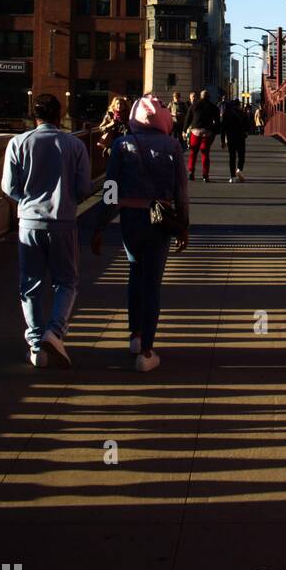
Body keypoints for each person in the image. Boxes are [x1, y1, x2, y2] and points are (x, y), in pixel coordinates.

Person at [91, 94, 189, 373]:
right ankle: (147, 350)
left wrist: (100, 225)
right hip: (160, 220)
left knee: (135, 272)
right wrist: (184, 225)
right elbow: (181, 191)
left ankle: (134, 335)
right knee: (153, 283)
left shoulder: (122, 145)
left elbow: (110, 188)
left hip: (130, 219)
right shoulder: (172, 145)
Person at [1, 92, 93, 368]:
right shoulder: (74, 145)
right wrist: (66, 200)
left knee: (30, 285)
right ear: (59, 114)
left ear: (34, 114)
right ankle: (55, 331)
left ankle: (35, 344)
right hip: (63, 221)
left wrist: (27, 203)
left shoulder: (18, 142)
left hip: (29, 222)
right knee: (66, 281)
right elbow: (84, 187)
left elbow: (8, 187)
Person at [184, 89, 220, 182]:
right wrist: (215, 132)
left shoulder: (194, 105)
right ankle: (205, 175)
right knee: (205, 154)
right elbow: (217, 122)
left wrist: (184, 130)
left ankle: (191, 172)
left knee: (193, 152)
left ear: (200, 96)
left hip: (195, 131)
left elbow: (188, 118)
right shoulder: (213, 107)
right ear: (209, 97)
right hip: (207, 132)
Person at [221, 98, 248, 183]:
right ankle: (239, 170)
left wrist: (222, 141)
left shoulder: (226, 114)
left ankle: (232, 177)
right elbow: (249, 126)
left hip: (230, 138)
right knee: (241, 155)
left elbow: (223, 129)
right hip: (240, 137)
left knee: (232, 157)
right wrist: (245, 132)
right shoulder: (243, 113)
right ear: (239, 105)